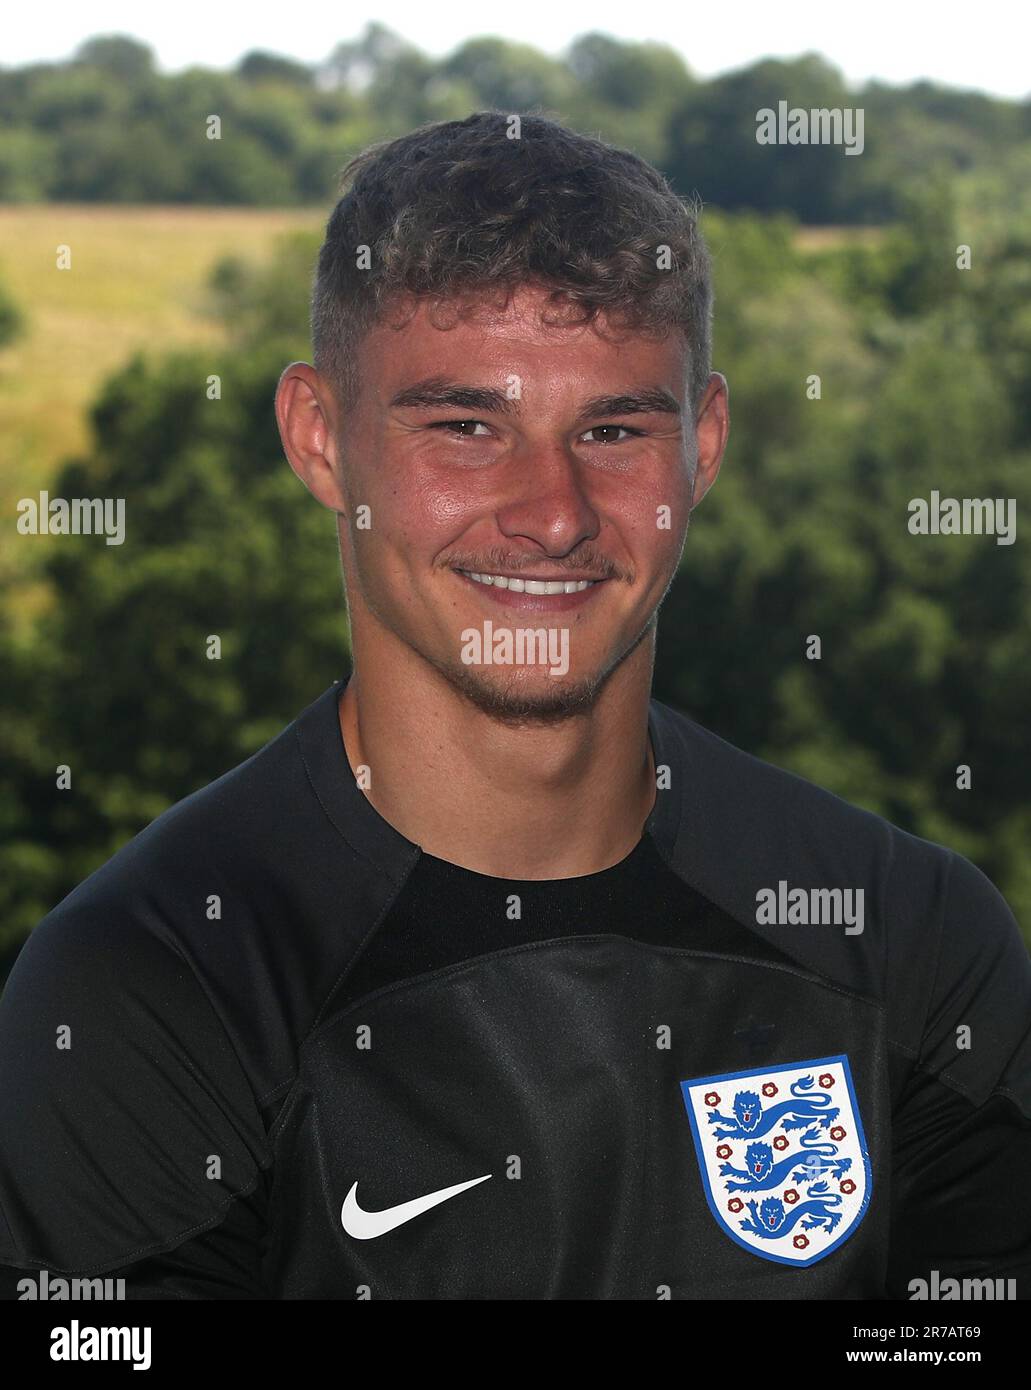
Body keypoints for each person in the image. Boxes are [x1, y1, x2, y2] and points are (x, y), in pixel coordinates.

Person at [1, 111, 1028, 1301]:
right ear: (319, 437)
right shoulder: (147, 987)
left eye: (611, 428)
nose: (552, 512)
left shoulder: (908, 936)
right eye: (465, 427)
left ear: (701, 444)